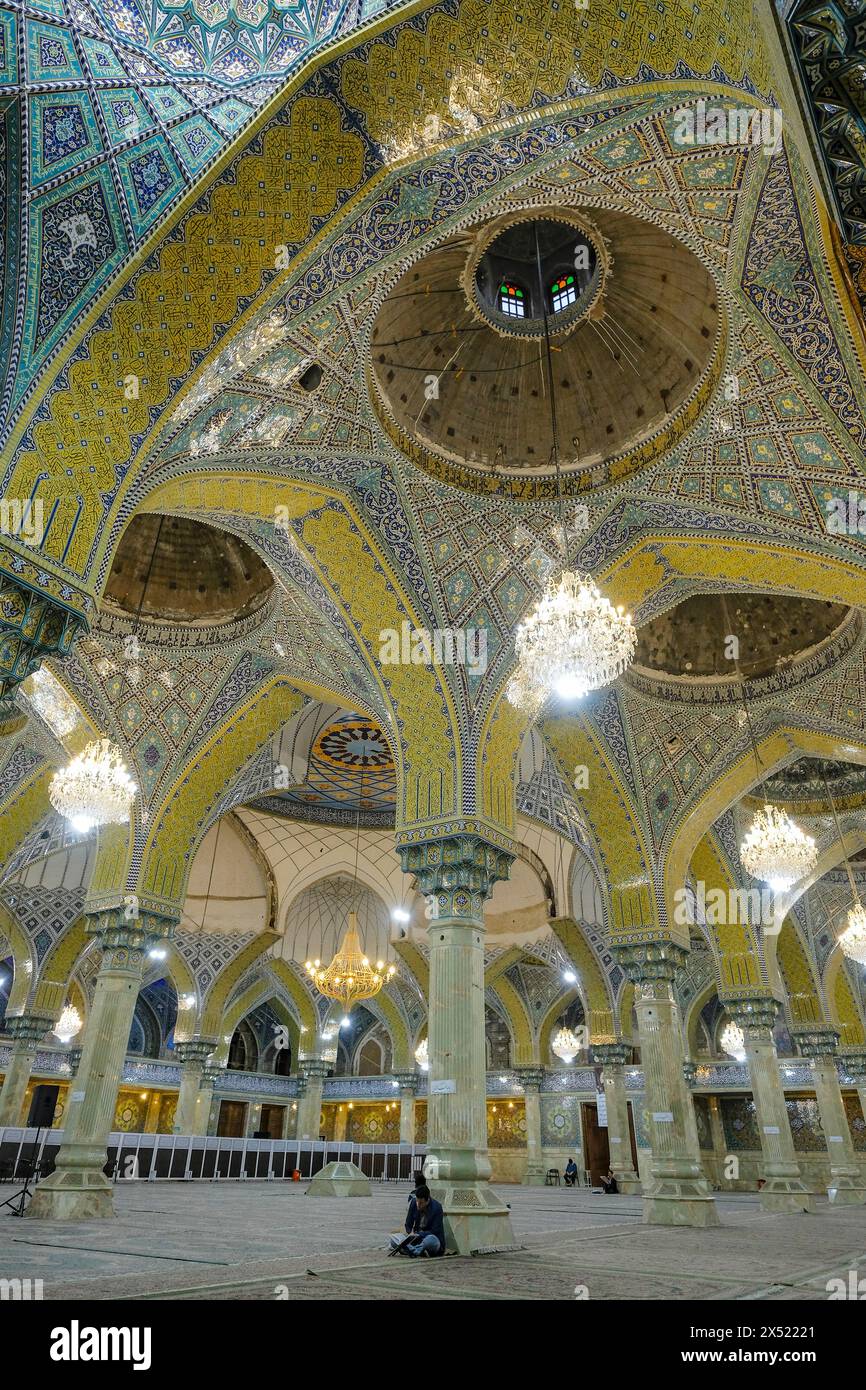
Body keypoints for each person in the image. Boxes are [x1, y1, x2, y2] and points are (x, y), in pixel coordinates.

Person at [406, 1185, 445, 1257]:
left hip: (430, 1238)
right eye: (417, 1201)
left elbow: (435, 1231)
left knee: (430, 1240)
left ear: (427, 1201)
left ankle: (414, 1250)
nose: (418, 1205)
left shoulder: (437, 1208)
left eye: (421, 1203)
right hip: (416, 1239)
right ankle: (414, 1249)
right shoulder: (414, 1202)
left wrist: (419, 1234)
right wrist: (410, 1233)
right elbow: (408, 1224)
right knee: (396, 1238)